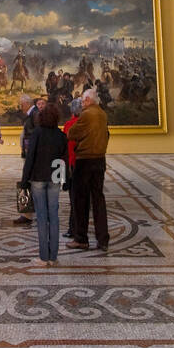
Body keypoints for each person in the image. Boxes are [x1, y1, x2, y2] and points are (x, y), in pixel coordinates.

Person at [20, 102, 68, 266]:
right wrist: (64, 180)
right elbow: (63, 159)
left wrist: (25, 179)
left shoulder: (37, 133)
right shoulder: (61, 136)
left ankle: (43, 257)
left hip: (38, 178)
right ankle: (53, 257)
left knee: (41, 216)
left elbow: (30, 157)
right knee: (53, 216)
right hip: (54, 177)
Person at [66, 88, 110, 251]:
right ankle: (103, 239)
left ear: (89, 100)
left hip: (85, 161)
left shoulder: (87, 114)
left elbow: (72, 133)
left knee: (80, 201)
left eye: (83, 100)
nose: (82, 103)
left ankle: (81, 238)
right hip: (100, 160)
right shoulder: (102, 114)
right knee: (98, 199)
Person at [14, 94, 39, 225]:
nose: (20, 107)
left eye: (21, 104)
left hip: (32, 156)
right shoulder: (33, 114)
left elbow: (35, 134)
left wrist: (30, 152)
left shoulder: (34, 114)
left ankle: (28, 215)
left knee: (28, 182)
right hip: (29, 155)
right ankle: (27, 213)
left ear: (27, 103)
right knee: (28, 183)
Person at [62, 97, 82, 238]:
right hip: (86, 162)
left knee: (74, 199)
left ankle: (73, 229)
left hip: (72, 164)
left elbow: (64, 147)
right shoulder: (88, 123)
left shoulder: (69, 124)